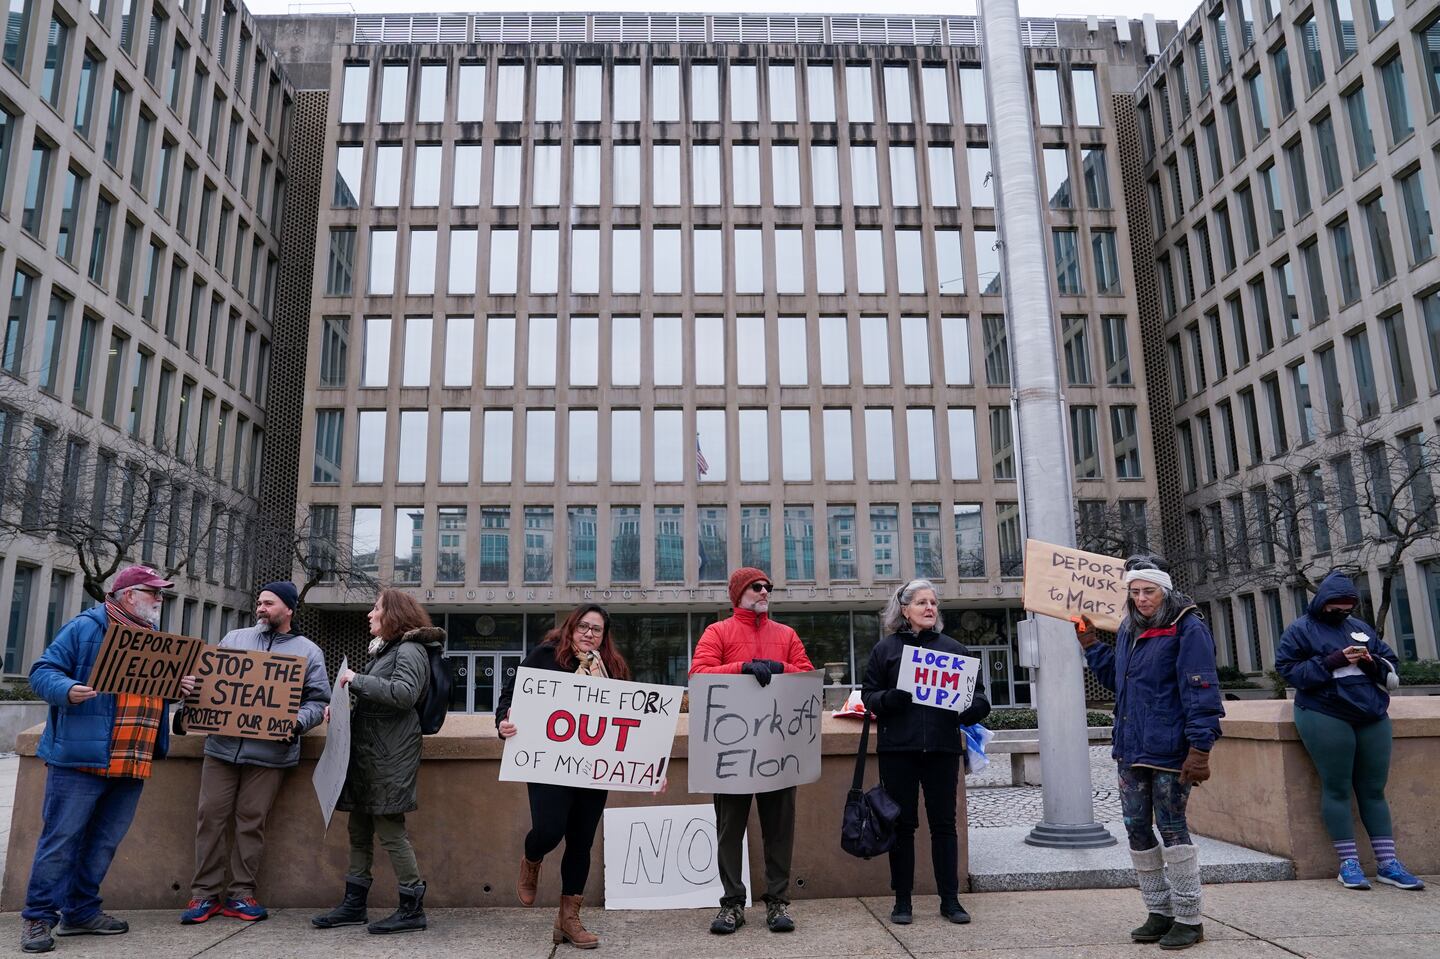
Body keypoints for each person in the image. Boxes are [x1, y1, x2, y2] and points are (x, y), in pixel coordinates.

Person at [21, 566, 198, 954]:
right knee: (61, 840)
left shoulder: (153, 638)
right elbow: (42, 672)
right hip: (81, 759)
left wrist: (177, 688)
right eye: (154, 593)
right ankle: (38, 917)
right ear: (129, 595)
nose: (160, 599)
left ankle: (81, 911)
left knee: (103, 843)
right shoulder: (85, 627)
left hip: (132, 758)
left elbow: (146, 693)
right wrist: (67, 689)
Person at [1074, 555, 1223, 952]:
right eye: (1135, 591)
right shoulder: (1128, 628)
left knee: (1172, 829)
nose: (1141, 599)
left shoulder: (1187, 627)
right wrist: (1091, 644)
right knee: (1136, 828)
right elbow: (1116, 679)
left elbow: (1201, 687)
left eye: (1149, 591)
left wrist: (1200, 748)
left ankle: (1189, 917)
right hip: (1132, 747)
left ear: (1165, 590)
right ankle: (1159, 911)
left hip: (1171, 750)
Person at [179, 581, 331, 924]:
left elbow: (318, 701)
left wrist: (294, 723)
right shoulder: (233, 640)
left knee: (252, 823)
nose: (261, 608)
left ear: (289, 609)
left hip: (270, 754)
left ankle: (240, 895)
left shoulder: (309, 651)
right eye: (259, 602)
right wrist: (190, 687)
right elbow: (209, 683)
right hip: (221, 749)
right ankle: (203, 896)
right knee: (210, 819)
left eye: (269, 603)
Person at [1274, 570, 1423, 891]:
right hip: (1324, 712)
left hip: (1370, 712)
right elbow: (1289, 671)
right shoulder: (1300, 631)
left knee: (1373, 789)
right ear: (1323, 602)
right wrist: (1333, 660)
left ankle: (1387, 863)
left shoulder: (1360, 628)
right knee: (1337, 786)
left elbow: (1390, 665)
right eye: (1336, 605)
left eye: (1348, 606)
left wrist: (1369, 662)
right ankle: (1349, 863)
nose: (1342, 611)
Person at [496, 604, 631, 950]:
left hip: (592, 769)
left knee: (581, 840)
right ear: (571, 628)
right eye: (583, 626)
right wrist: (503, 722)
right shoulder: (545, 656)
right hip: (548, 765)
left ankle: (568, 919)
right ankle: (532, 857)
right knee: (549, 829)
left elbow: (626, 719)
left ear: (604, 635)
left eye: (597, 629)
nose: (589, 634)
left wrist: (646, 768)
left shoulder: (612, 667)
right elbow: (510, 697)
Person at [311, 589, 444, 935]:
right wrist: (339, 705)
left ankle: (412, 908)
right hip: (368, 756)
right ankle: (354, 906)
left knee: (389, 830)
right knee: (358, 829)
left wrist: (356, 680)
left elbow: (404, 694)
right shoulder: (387, 651)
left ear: (394, 614)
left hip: (389, 756)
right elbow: (376, 699)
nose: (370, 614)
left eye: (376, 608)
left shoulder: (410, 649)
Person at [689, 566, 813, 936]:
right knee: (729, 829)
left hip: (777, 748)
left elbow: (806, 676)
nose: (764, 592)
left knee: (779, 828)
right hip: (733, 751)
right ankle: (732, 904)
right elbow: (699, 673)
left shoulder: (786, 634)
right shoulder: (718, 632)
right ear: (738, 594)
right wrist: (743, 667)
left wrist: (779, 667)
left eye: (767, 587)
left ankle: (778, 901)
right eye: (756, 587)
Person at [862, 579, 991, 926]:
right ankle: (902, 901)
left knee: (944, 825)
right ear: (904, 610)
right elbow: (869, 695)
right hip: (897, 750)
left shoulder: (954, 648)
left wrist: (971, 709)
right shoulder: (885, 650)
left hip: (941, 749)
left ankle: (950, 900)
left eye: (933, 603)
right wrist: (890, 699)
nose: (930, 608)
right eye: (921, 602)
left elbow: (979, 697)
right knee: (902, 826)